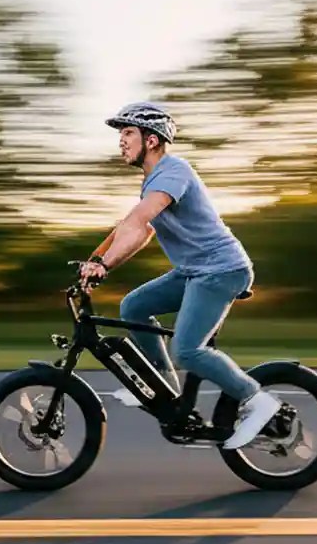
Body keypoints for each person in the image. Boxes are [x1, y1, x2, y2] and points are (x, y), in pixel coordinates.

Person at [79, 101, 281, 450]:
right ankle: (163, 391)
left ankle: (257, 401)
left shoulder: (174, 171)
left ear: (152, 140)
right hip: (193, 271)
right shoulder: (153, 182)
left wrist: (105, 266)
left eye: (128, 133)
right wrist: (96, 259)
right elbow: (137, 228)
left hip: (221, 269)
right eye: (121, 134)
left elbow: (139, 222)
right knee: (134, 307)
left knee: (186, 351)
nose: (121, 141)